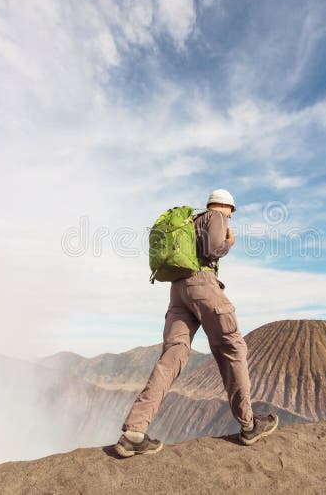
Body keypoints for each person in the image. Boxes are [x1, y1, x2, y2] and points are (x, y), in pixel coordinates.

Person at [114, 189, 278, 457]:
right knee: (233, 349)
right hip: (203, 285)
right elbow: (212, 249)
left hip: (178, 292)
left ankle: (134, 431)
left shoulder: (191, 221)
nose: (231, 217)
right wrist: (229, 243)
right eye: (232, 212)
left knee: (172, 357)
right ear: (228, 207)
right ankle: (249, 426)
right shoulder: (216, 216)